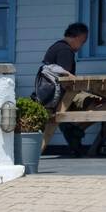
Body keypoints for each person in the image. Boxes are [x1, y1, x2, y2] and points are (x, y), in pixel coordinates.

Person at [37, 22, 88, 156]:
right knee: (99, 100)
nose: (82, 45)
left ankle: (73, 130)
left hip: (49, 94)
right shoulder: (65, 51)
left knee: (91, 99)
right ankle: (75, 130)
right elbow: (65, 80)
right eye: (83, 41)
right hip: (59, 96)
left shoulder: (57, 46)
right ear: (78, 37)